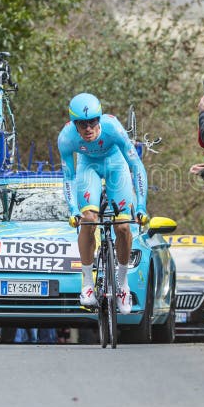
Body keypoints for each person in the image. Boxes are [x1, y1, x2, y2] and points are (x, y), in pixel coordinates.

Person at [57, 93, 148, 314]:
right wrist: (73, 209)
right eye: (82, 124)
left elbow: (136, 166)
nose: (88, 128)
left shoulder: (113, 128)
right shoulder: (66, 138)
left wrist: (142, 205)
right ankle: (88, 284)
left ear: (99, 119)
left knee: (124, 225)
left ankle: (122, 284)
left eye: (93, 122)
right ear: (74, 124)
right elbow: (68, 177)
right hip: (88, 167)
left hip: (116, 164)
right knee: (88, 220)